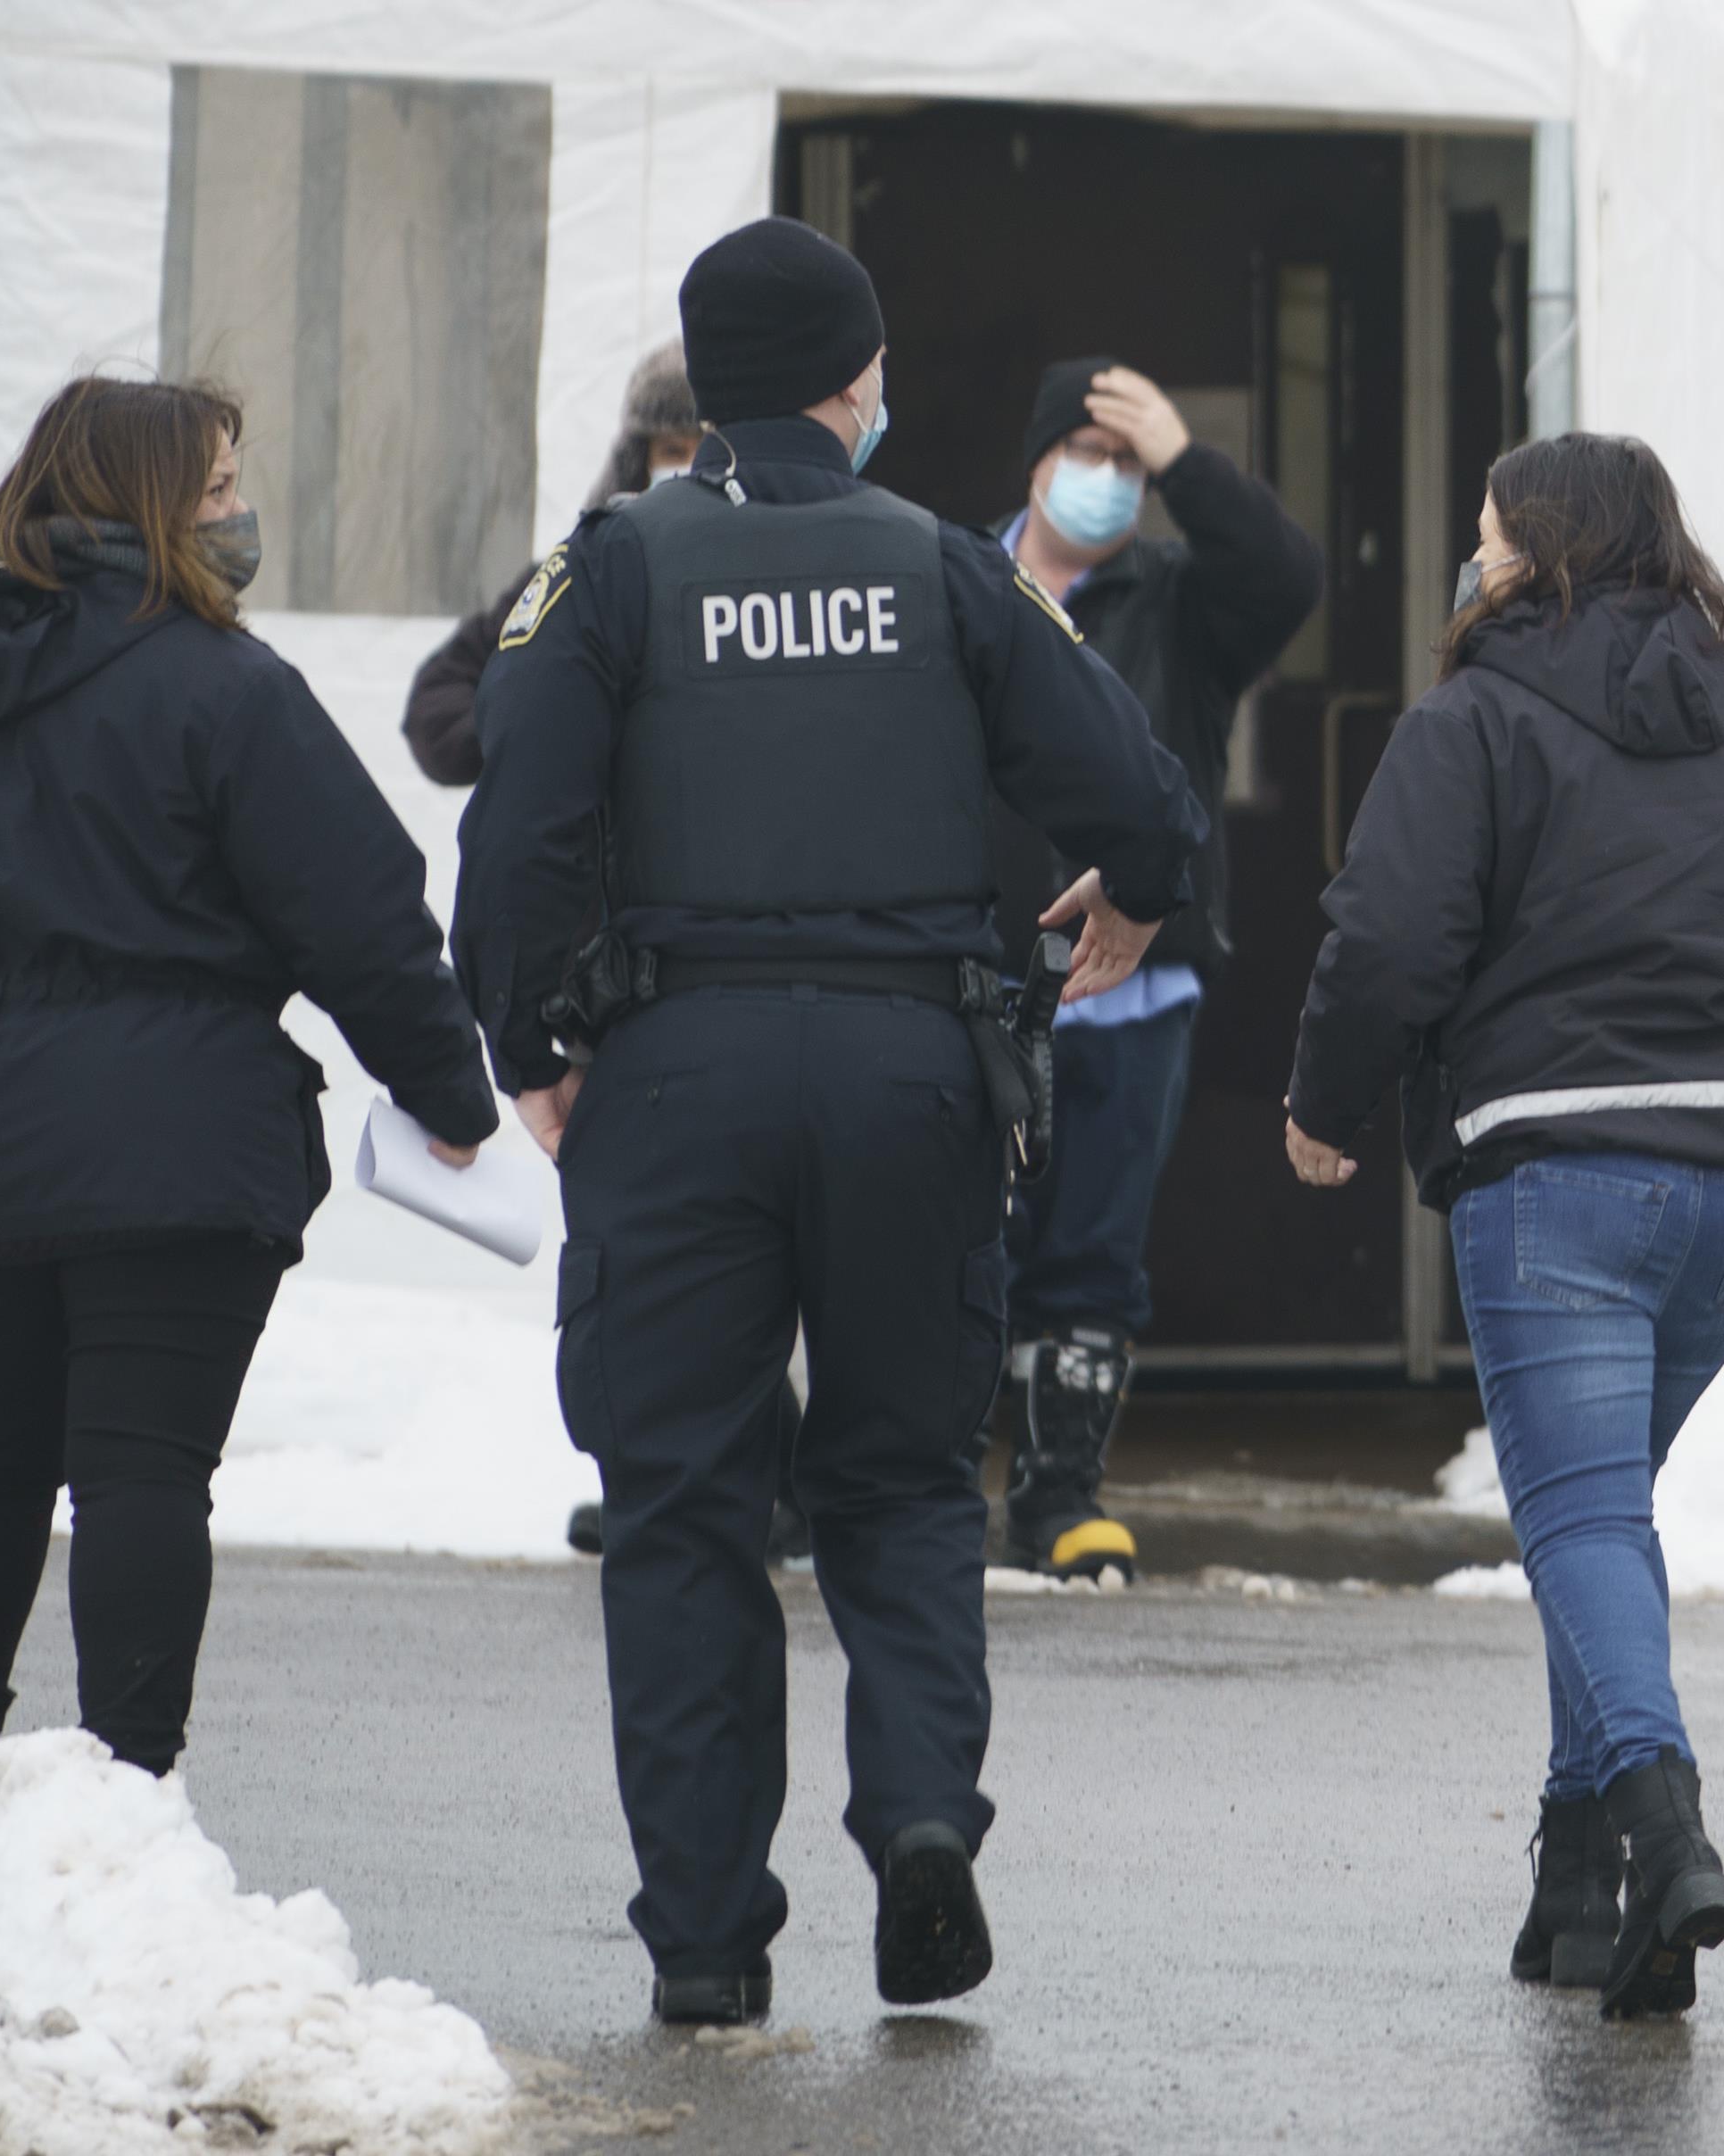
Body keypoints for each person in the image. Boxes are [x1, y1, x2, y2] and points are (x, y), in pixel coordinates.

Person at [452, 218, 1206, 2026]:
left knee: (684, 1505)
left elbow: (513, 836)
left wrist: (528, 1039)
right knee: (897, 1482)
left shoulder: (608, 569)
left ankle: (708, 1935)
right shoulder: (945, 570)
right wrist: (1138, 894)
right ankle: (924, 1815)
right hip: (907, 1079)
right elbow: (1132, 789)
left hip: (676, 1081)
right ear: (853, 379)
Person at [0, 376, 499, 1842]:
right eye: (221, 483)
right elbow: (361, 914)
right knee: (142, 1471)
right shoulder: (224, 689)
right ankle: (128, 1801)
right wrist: (449, 1097)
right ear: (158, 503)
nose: (241, 510)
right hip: (178, 1154)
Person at [1284, 434, 1724, 2020]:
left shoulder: (1474, 724)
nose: (1477, 562)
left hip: (1555, 1179)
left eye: (1492, 535)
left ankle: (1664, 1824)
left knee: (1579, 1523)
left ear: (1540, 552)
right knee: (1605, 1521)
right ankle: (1577, 1889)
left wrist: (1322, 1099)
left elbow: (1385, 938)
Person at [383, 344, 805, 1572]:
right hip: (628, 969)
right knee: (663, 1264)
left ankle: (763, 1483)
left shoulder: (780, 550)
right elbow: (443, 705)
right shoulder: (588, 563)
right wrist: (558, 732)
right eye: (664, 442)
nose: (681, 465)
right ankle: (663, 1482)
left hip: (720, 953)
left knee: (729, 1256)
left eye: (698, 439)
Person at [985, 357, 1321, 1583]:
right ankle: (911, 1486)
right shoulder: (960, 580)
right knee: (958, 1241)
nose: (1108, 482)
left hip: (1135, 992)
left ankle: (1059, 1496)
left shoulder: (1178, 598)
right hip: (975, 983)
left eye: (1130, 464)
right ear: (1034, 461)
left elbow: (1287, 576)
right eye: (1092, 454)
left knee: (1090, 1250)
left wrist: (1188, 459)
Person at [403, 343, 703, 786]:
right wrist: (539, 727)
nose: (691, 470)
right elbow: (439, 703)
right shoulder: (574, 580)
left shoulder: (764, 582)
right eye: (674, 452)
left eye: (710, 453)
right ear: (637, 464)